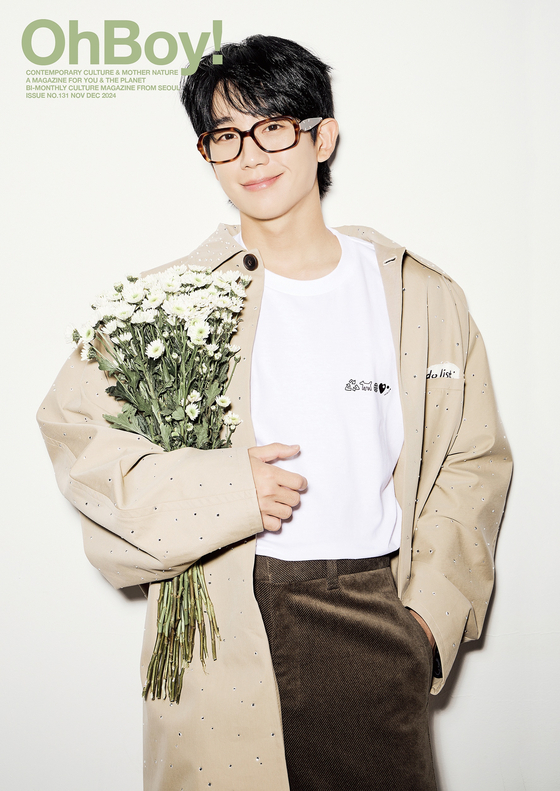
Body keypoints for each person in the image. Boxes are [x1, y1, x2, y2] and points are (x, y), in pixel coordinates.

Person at [37, 34, 512, 791]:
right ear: (206, 153)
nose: (250, 155)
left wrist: (427, 621)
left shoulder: (422, 295)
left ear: (323, 137)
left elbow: (471, 461)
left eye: (274, 127)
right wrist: (229, 490)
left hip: (376, 615)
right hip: (223, 623)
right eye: (224, 135)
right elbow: (79, 444)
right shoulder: (167, 302)